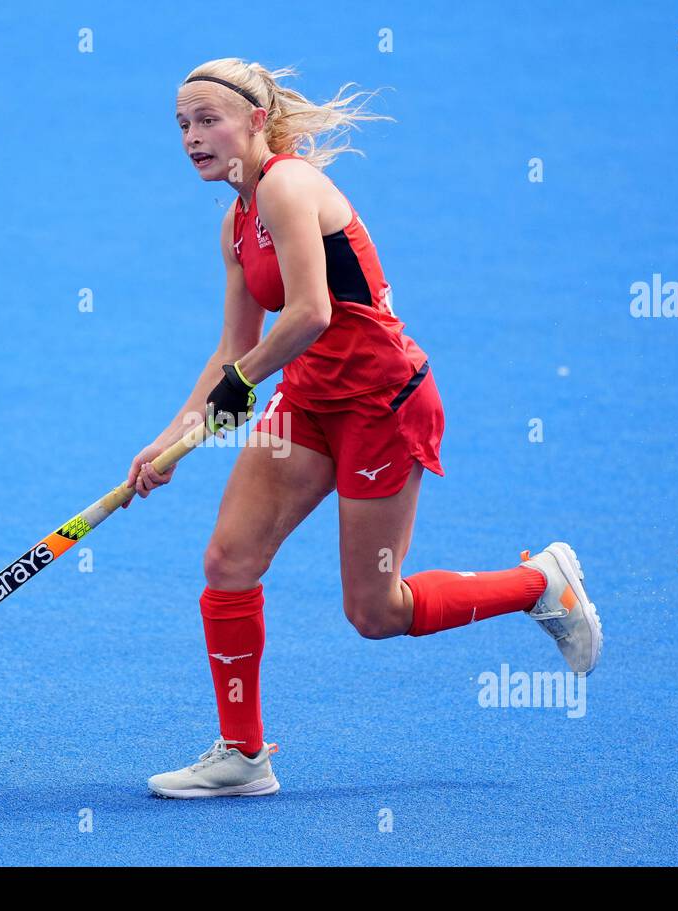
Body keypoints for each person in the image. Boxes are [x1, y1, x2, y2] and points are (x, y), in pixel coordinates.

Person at [123, 58, 602, 799]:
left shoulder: (285, 185)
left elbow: (310, 312)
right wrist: (169, 442)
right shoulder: (234, 221)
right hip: (310, 402)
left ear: (256, 120)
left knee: (375, 614)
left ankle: (538, 583)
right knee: (228, 563)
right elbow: (231, 351)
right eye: (182, 124)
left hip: (384, 404)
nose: (192, 135)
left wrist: (244, 381)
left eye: (208, 118)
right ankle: (243, 756)